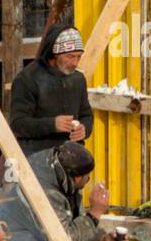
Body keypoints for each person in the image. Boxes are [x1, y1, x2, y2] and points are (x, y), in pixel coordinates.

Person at [9, 25, 94, 155]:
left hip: (71, 157)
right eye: (70, 56)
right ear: (55, 54)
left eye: (79, 57)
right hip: (37, 157)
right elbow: (18, 124)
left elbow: (86, 115)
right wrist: (52, 124)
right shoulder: (27, 79)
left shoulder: (78, 79)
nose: (75, 63)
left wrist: (84, 129)